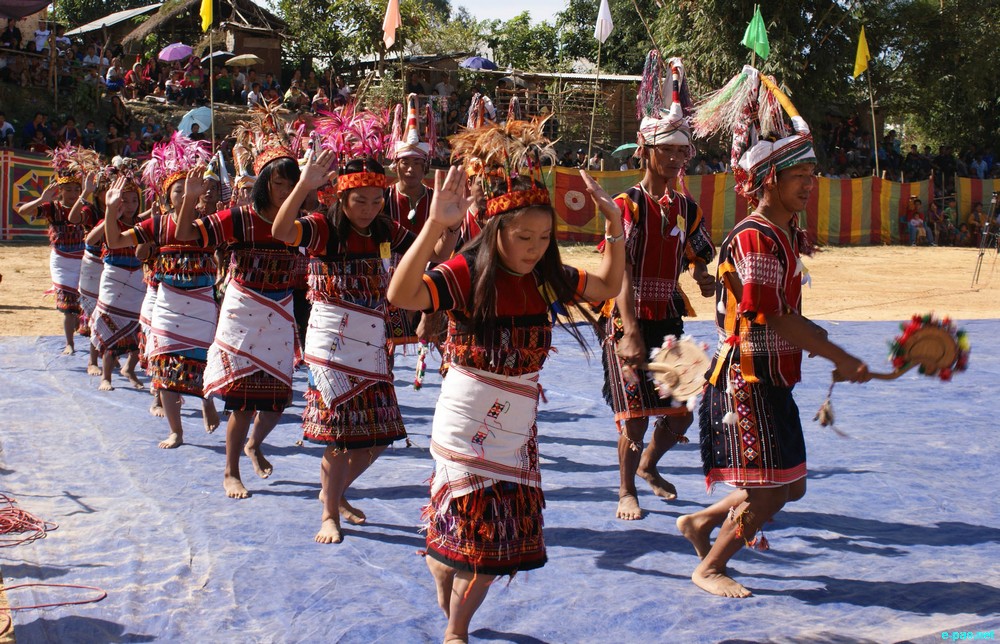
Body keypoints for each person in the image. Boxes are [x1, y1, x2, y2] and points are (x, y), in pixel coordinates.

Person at [386, 118, 625, 643]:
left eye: (545, 237)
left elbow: (608, 282)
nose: (536, 247)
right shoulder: (465, 274)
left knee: (491, 547)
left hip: (517, 435)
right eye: (524, 237)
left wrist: (614, 230)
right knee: (457, 544)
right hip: (466, 421)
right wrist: (432, 229)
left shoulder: (546, 281)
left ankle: (456, 629)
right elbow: (401, 297)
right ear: (497, 232)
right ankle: (446, 581)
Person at [678, 64, 870, 598]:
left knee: (792, 485)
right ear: (769, 182)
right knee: (771, 493)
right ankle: (711, 565)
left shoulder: (778, 234)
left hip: (768, 376)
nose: (810, 186)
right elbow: (773, 316)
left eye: (812, 178)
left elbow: (784, 312)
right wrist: (836, 354)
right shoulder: (756, 238)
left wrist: (824, 344)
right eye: (800, 178)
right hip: (747, 379)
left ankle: (699, 524)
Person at [270, 114, 456, 544]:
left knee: (377, 436)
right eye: (361, 201)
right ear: (342, 197)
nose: (370, 208)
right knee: (339, 436)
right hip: (330, 343)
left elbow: (434, 254)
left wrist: (446, 223)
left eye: (376, 200)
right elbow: (281, 230)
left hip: (373, 345)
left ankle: (332, 494)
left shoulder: (386, 230)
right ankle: (329, 512)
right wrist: (304, 185)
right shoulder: (322, 228)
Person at [601, 56, 715, 521]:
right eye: (665, 150)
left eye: (680, 152)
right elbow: (622, 269)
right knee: (635, 414)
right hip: (628, 319)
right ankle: (626, 489)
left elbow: (697, 253)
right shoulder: (626, 205)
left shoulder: (686, 208)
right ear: (645, 151)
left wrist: (705, 275)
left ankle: (649, 465)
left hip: (668, 318)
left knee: (684, 410)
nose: (673, 158)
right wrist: (628, 329)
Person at [172, 122, 302, 500]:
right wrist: (188, 198)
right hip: (243, 311)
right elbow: (186, 235)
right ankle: (231, 471)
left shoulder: (299, 224)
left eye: (292, 184)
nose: (286, 191)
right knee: (243, 402)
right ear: (264, 183)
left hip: (280, 313)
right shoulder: (240, 218)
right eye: (280, 183)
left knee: (277, 400)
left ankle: (254, 445)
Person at [104, 132, 220, 448]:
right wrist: (110, 211)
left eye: (190, 190)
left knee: (202, 361)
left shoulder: (208, 224)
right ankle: (177, 431)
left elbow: (186, 232)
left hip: (201, 304)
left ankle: (206, 400)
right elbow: (114, 242)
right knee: (164, 364)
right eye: (178, 192)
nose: (185, 196)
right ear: (167, 198)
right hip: (167, 303)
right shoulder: (156, 225)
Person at [16, 145, 101, 354]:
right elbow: (22, 211)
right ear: (60, 190)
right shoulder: (51, 207)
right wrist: (41, 199)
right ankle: (69, 344)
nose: (72, 193)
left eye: (76, 189)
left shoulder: (84, 208)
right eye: (68, 189)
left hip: (83, 260)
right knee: (67, 305)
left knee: (83, 301)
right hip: (62, 260)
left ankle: (81, 333)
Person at [90, 172, 146, 391]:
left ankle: (129, 368)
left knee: (140, 328)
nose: (130, 205)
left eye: (134, 200)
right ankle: (106, 376)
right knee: (109, 325)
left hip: (138, 281)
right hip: (114, 279)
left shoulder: (143, 224)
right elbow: (90, 240)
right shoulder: (110, 221)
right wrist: (110, 213)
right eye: (125, 200)